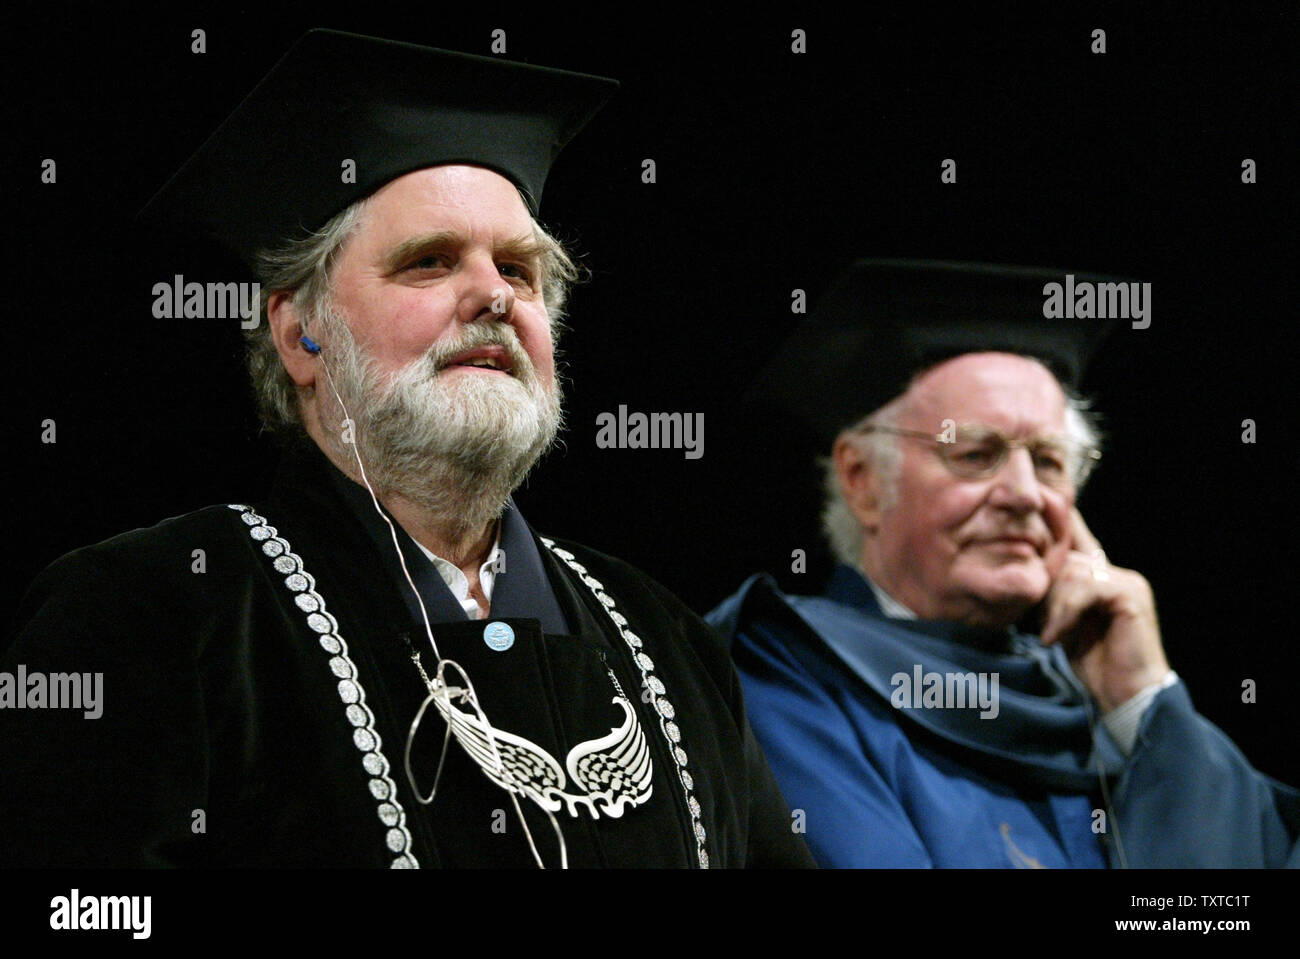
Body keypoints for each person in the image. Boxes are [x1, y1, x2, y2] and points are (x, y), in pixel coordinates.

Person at [1, 29, 813, 869]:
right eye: (430, 262)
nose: (494, 294)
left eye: (520, 270)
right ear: (301, 332)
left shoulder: (670, 642)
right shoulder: (154, 617)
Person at [707, 259, 1300, 868]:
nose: (1023, 494)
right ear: (862, 480)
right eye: (975, 454)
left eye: (1048, 461)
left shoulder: (1092, 702)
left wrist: (1144, 700)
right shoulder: (783, 671)